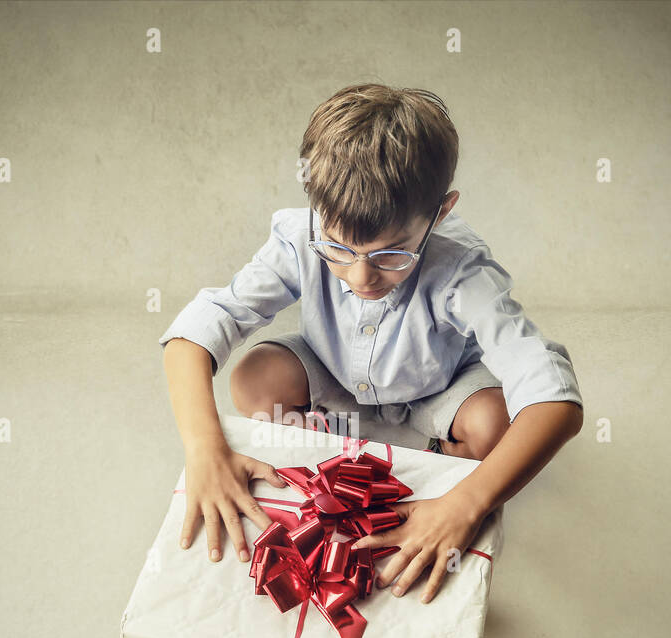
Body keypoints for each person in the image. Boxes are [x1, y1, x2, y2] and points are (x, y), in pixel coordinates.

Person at [158, 83, 584, 604]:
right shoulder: (298, 238)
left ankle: (418, 453)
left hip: (437, 391)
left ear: (440, 213)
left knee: (494, 426)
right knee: (253, 379)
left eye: (393, 254)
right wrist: (204, 449)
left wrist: (464, 505)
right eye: (338, 247)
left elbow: (555, 400)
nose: (361, 276)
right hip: (336, 379)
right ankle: (362, 445)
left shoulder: (461, 269)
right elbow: (196, 331)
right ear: (314, 203)